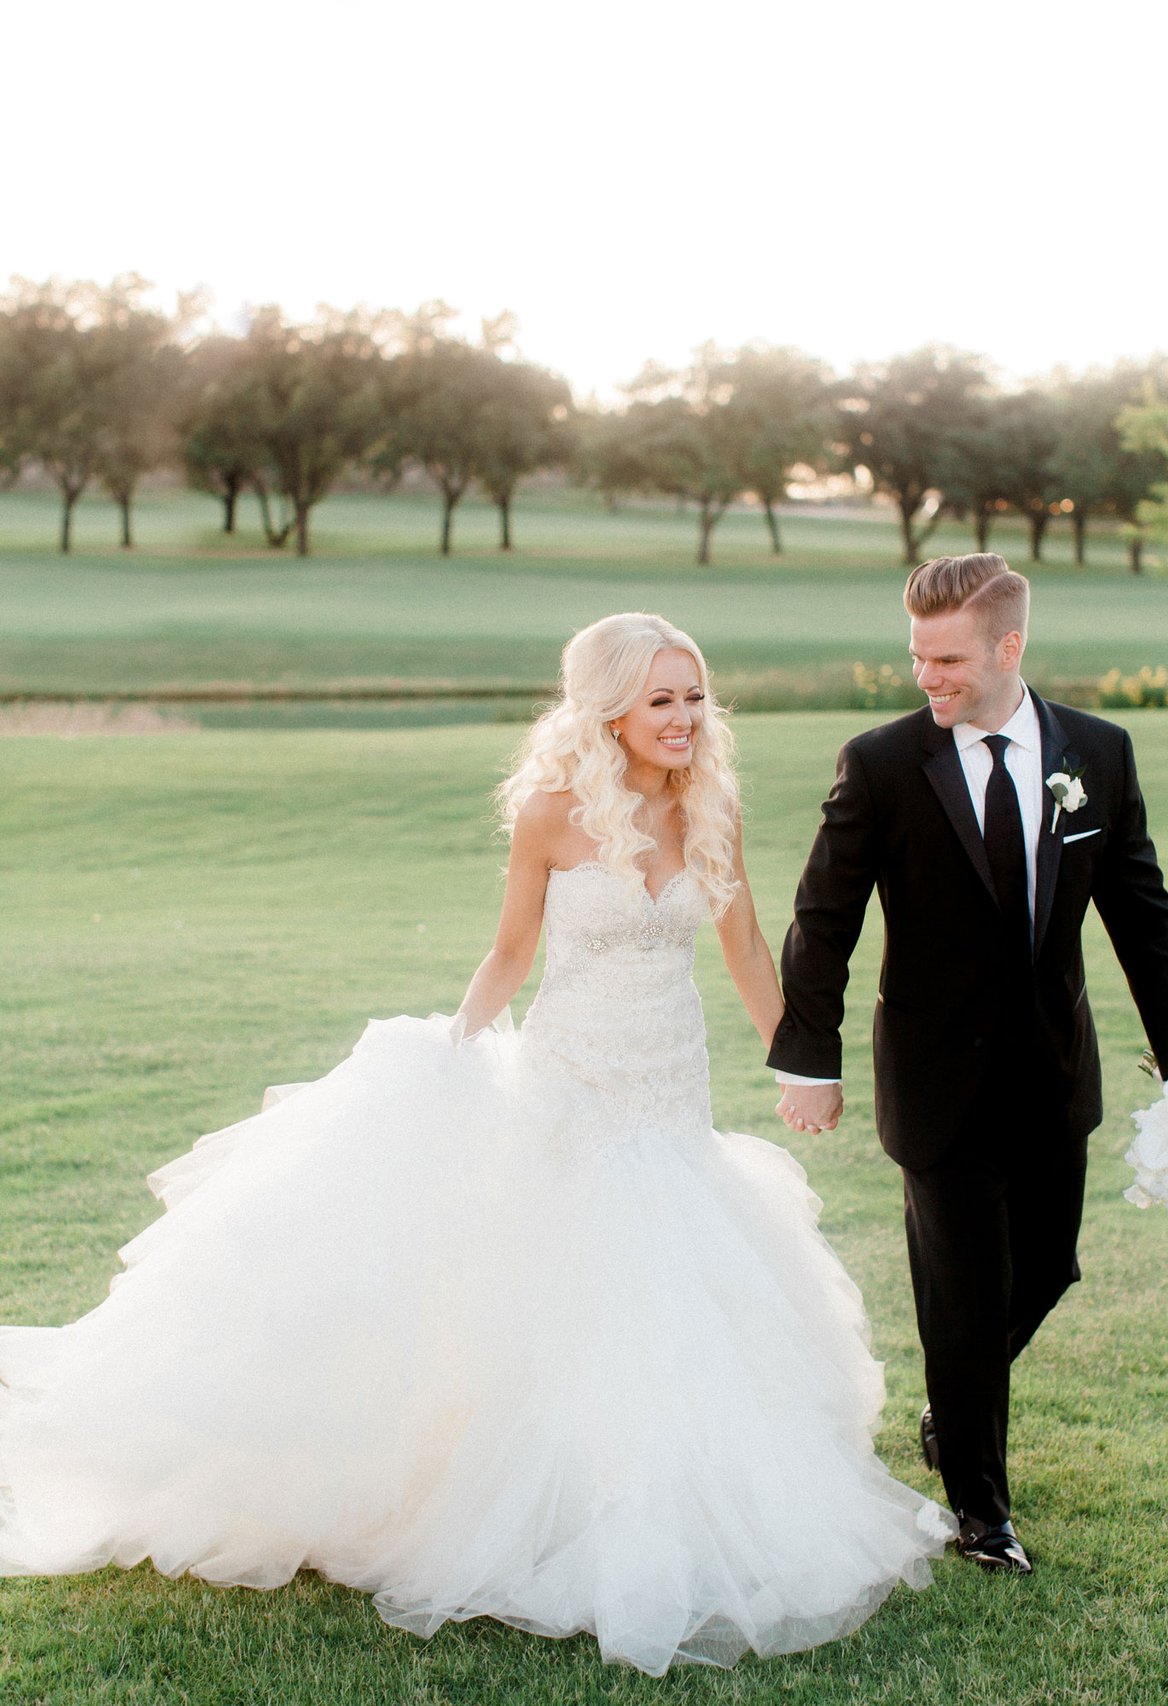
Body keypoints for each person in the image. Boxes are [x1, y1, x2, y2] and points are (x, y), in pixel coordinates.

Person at [0, 612, 952, 1678]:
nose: (684, 717)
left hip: (666, 1092)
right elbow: (510, 951)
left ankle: (656, 1495)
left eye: (693, 695)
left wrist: (796, 1063)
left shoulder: (711, 812)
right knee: (555, 1297)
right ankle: (534, 1512)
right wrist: (445, 1054)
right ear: (608, 710)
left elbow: (738, 946)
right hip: (566, 1087)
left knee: (670, 1296)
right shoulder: (551, 813)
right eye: (660, 699)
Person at [768, 555, 1168, 1575]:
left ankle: (953, 1402)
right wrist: (806, 1054)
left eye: (948, 658)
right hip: (932, 1083)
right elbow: (822, 917)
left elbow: (1141, 918)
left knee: (1046, 1265)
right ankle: (979, 1509)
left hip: (1053, 1072)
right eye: (916, 656)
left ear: (1008, 647)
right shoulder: (882, 763)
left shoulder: (1094, 752)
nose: (926, 676)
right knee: (961, 1297)